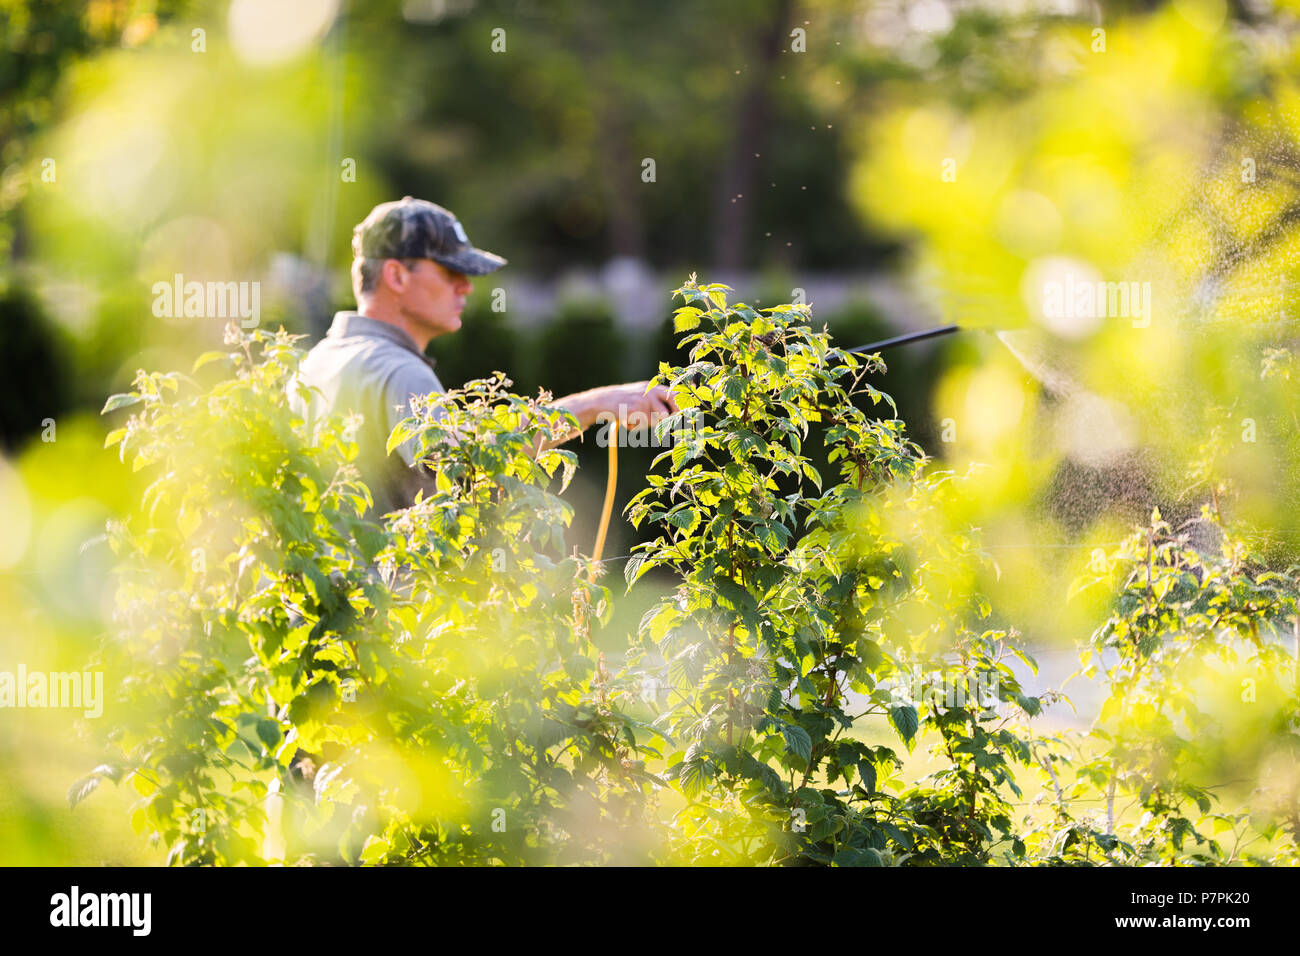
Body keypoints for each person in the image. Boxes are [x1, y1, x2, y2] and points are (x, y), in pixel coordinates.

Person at [291, 196, 678, 516]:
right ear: (396, 276)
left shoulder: (312, 364)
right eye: (449, 271)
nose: (466, 288)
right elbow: (473, 466)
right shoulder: (398, 370)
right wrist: (598, 404)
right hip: (381, 606)